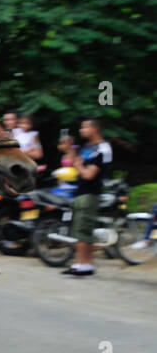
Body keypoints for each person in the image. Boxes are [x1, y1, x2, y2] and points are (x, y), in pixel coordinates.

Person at [64, 117, 112, 277]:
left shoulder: (102, 148)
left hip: (90, 193)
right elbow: (73, 162)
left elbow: (89, 174)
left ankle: (84, 265)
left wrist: (78, 165)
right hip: (81, 192)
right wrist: (70, 148)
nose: (81, 131)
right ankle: (82, 264)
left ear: (95, 129)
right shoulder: (87, 147)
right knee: (80, 230)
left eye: (84, 128)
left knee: (83, 230)